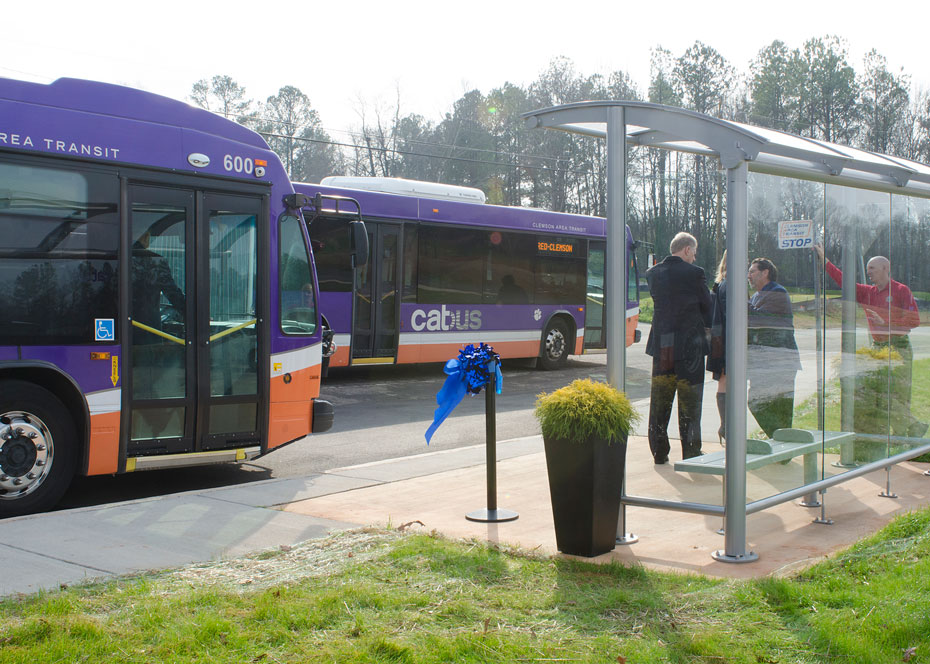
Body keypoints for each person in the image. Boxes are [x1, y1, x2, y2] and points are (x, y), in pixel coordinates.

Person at [813, 244, 926, 438]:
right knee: (879, 394)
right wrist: (825, 261)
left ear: (885, 269)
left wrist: (885, 321)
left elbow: (913, 321)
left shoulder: (901, 290)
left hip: (899, 348)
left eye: (872, 268)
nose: (868, 272)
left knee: (898, 394)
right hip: (878, 348)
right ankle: (911, 428)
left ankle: (903, 435)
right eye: (867, 269)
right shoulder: (867, 292)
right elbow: (844, 281)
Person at [645, 232, 713, 463]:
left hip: (663, 345)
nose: (694, 257)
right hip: (689, 346)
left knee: (660, 399)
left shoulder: (653, 274)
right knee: (690, 401)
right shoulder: (696, 274)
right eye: (693, 252)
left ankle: (659, 450)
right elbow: (707, 306)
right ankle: (691, 451)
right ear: (686, 250)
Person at [747, 257, 801, 438]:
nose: (748, 276)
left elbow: (759, 320)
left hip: (781, 361)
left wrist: (740, 300)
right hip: (762, 362)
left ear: (765, 273)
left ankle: (783, 444)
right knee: (756, 402)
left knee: (781, 408)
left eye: (752, 271)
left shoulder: (778, 293)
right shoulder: (756, 296)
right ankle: (779, 439)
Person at [706, 250, 727, 444]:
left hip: (717, 340)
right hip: (727, 340)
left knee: (723, 381)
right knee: (726, 381)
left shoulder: (718, 284)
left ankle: (724, 425)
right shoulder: (730, 285)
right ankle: (726, 426)